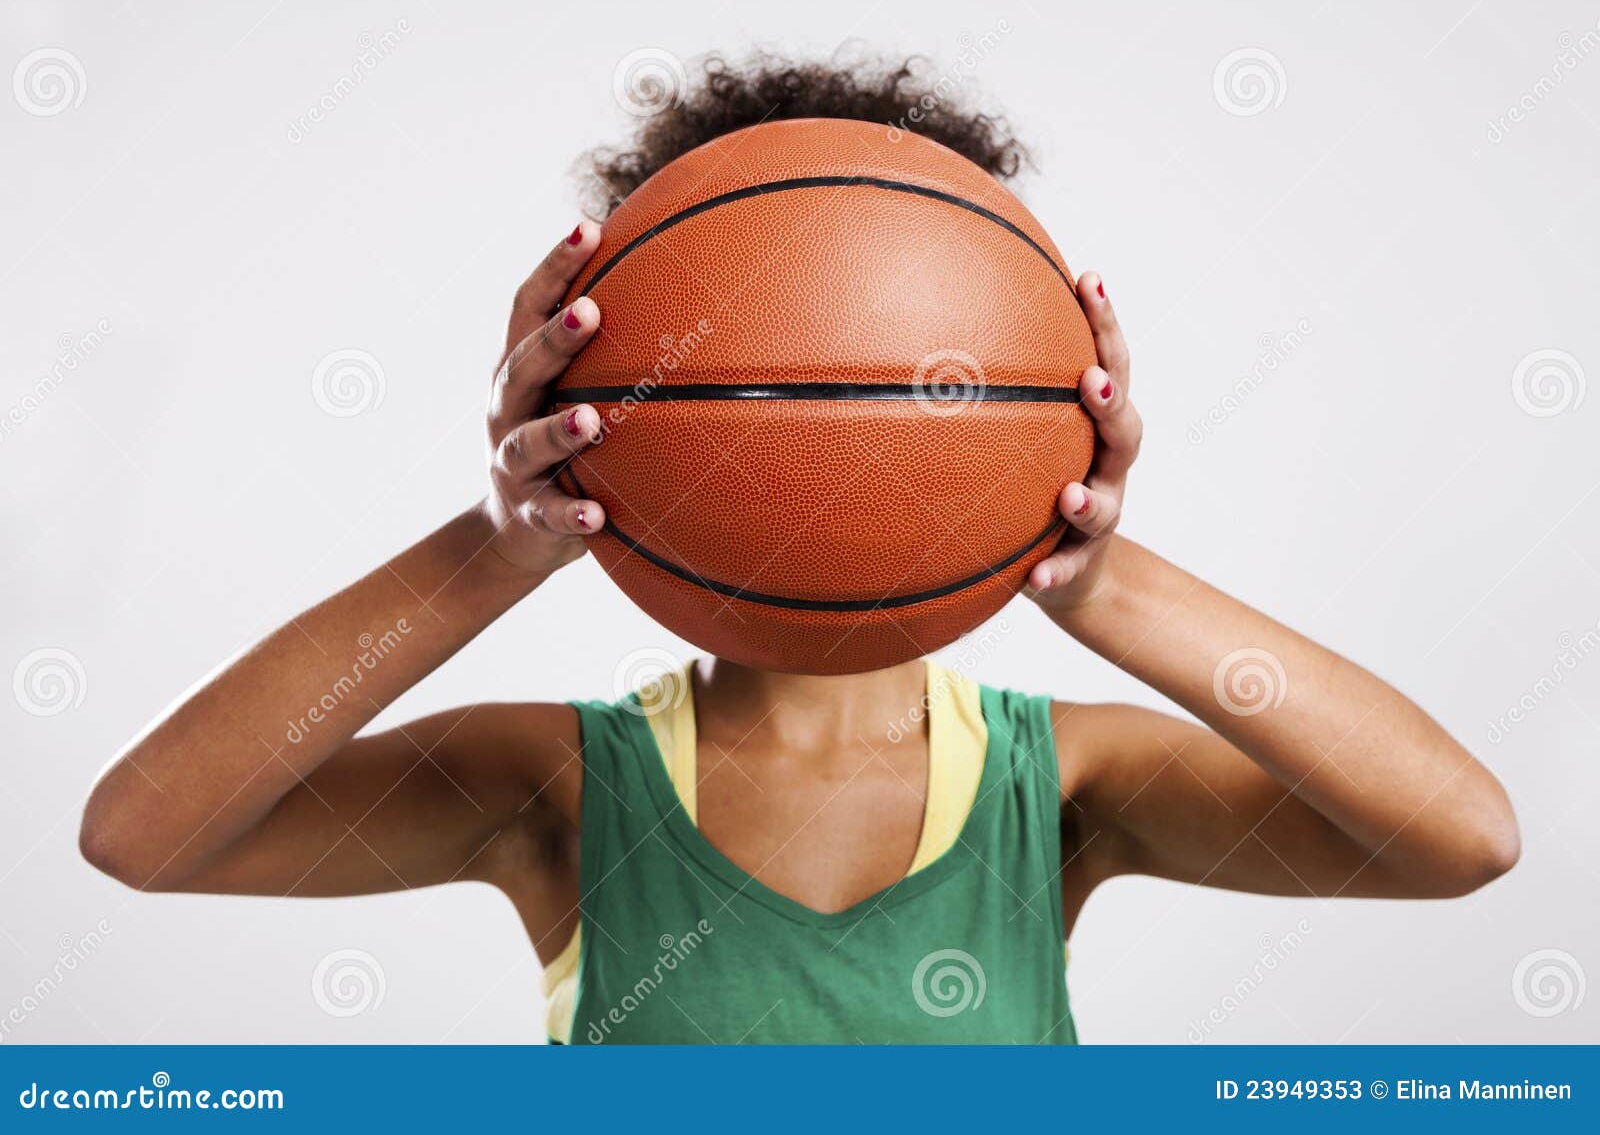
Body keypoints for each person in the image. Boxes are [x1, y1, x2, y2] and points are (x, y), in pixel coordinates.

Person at [79, 57, 1519, 1044]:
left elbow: (1464, 836)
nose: (843, 395)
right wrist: (500, 542)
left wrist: (1096, 563)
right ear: (605, 398)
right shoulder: (564, 792)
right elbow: (142, 834)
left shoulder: (1065, 786)